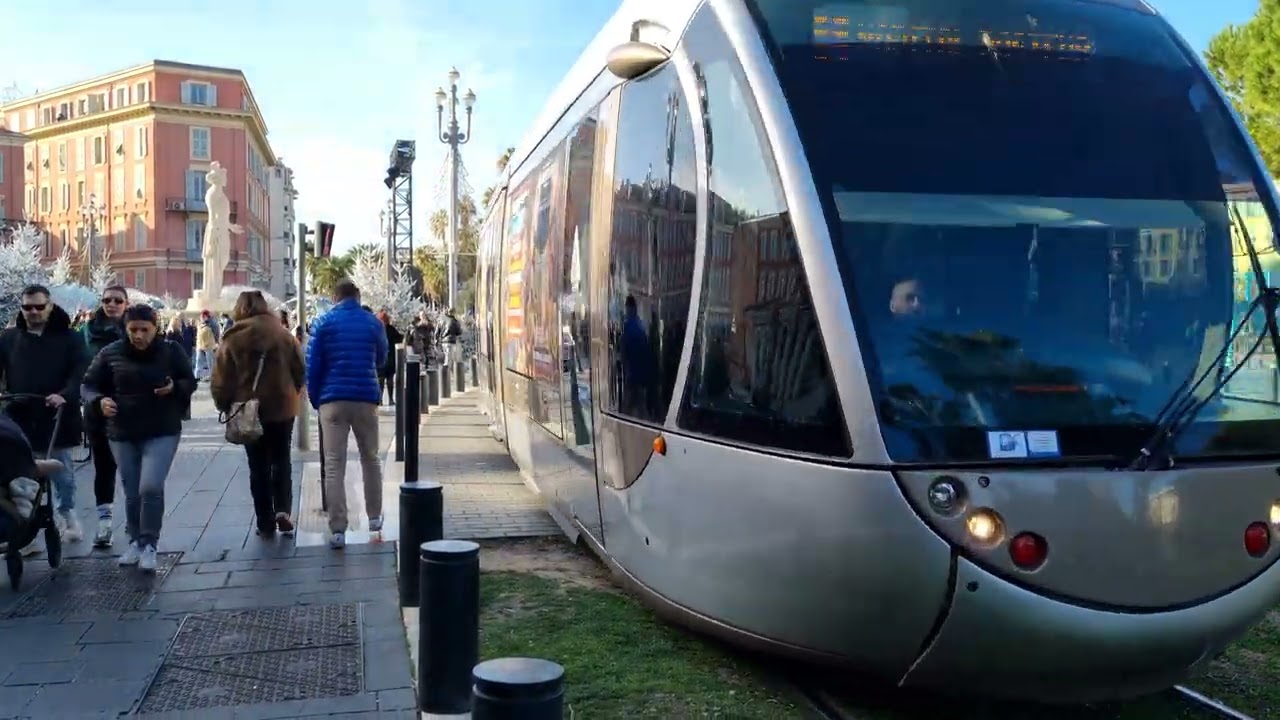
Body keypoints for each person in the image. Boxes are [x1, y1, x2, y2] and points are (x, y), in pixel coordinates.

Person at [81, 304, 196, 572]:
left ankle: (150, 544)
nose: (139, 335)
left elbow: (189, 380)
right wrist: (99, 401)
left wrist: (174, 387)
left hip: (162, 429)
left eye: (144, 329)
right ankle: (135, 540)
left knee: (150, 487)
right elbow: (88, 384)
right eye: (133, 329)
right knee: (132, 491)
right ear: (126, 329)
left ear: (155, 328)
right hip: (122, 432)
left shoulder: (170, 351)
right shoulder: (110, 353)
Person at [0, 285, 91, 542]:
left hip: (56, 413)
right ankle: (23, 523)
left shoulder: (69, 338)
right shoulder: (9, 338)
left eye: (39, 307)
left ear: (50, 306)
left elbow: (79, 370)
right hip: (19, 413)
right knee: (19, 468)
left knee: (60, 468)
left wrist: (65, 393)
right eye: (28, 307)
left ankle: (68, 513)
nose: (33, 312)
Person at [211, 291, 305, 537]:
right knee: (281, 459)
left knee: (258, 465)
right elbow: (300, 370)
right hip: (282, 407)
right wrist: (292, 391)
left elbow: (221, 379)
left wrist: (224, 405)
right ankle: (283, 510)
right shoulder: (283, 335)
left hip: (248, 409)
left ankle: (264, 520)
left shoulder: (231, 339)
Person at [306, 278, 388, 549]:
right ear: (358, 296)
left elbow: (313, 365)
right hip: (365, 397)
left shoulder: (323, 323)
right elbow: (382, 358)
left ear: (334, 297)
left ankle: (338, 528)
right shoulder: (373, 323)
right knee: (371, 458)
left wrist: (317, 399)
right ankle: (374, 517)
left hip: (332, 399)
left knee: (333, 464)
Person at [81, 284, 128, 547]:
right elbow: (82, 372)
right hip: (98, 408)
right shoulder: (87, 332)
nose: (111, 304)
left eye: (117, 300)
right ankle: (105, 523)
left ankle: (137, 524)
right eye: (107, 300)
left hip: (131, 410)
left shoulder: (136, 329)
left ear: (126, 304)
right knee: (104, 467)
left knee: (133, 470)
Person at [377, 310, 403, 406]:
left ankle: (380, 400)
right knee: (390, 379)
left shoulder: (377, 330)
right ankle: (391, 399)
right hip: (391, 357)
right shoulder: (391, 329)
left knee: (380, 380)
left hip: (381, 358)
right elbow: (399, 338)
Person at [195, 310, 218, 380]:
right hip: (200, 344)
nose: (202, 317)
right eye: (201, 316)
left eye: (203, 316)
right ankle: (198, 375)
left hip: (209, 345)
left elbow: (216, 332)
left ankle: (212, 376)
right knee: (199, 360)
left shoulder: (212, 323)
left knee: (210, 361)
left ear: (207, 316)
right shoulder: (199, 323)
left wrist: (216, 341)